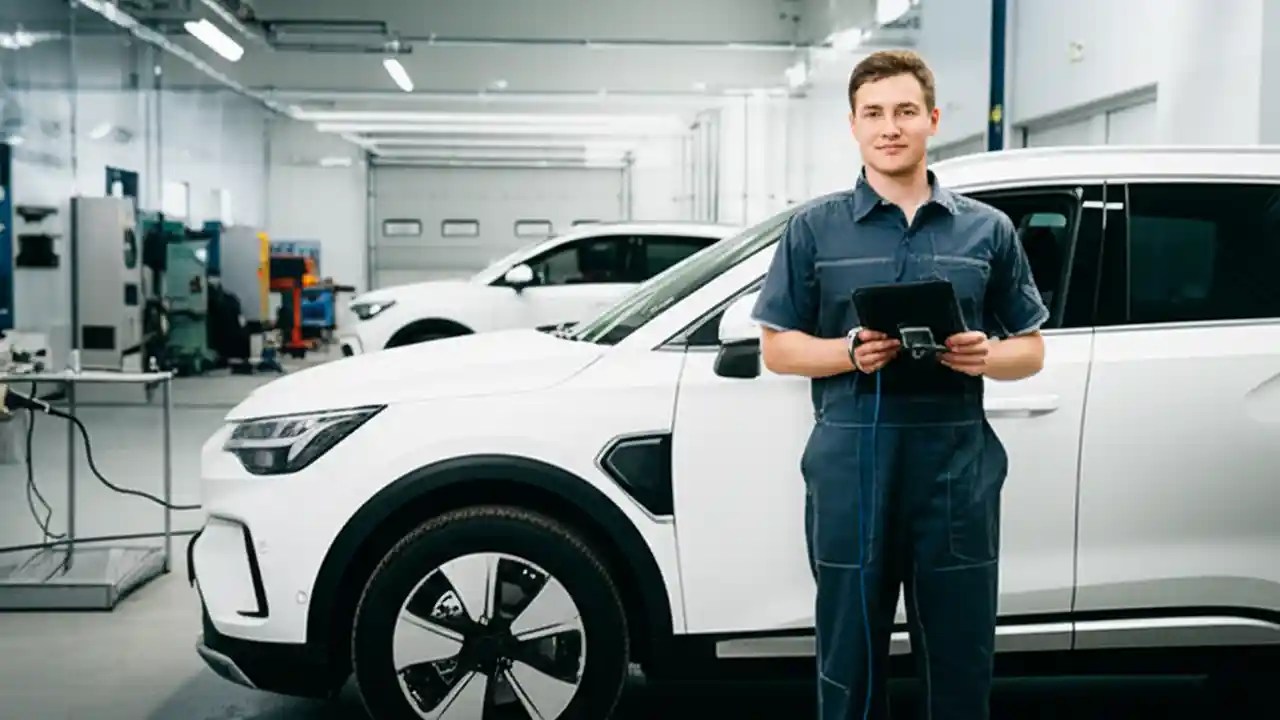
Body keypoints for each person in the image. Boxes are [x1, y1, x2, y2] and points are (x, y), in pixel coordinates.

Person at [751, 50, 1048, 720]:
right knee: (848, 656)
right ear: (853, 125)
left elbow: (1030, 350)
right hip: (850, 464)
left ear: (933, 120)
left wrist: (986, 356)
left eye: (906, 111)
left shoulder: (986, 230)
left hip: (956, 469)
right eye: (875, 113)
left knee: (960, 654)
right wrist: (848, 352)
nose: (891, 127)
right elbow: (778, 349)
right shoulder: (814, 229)